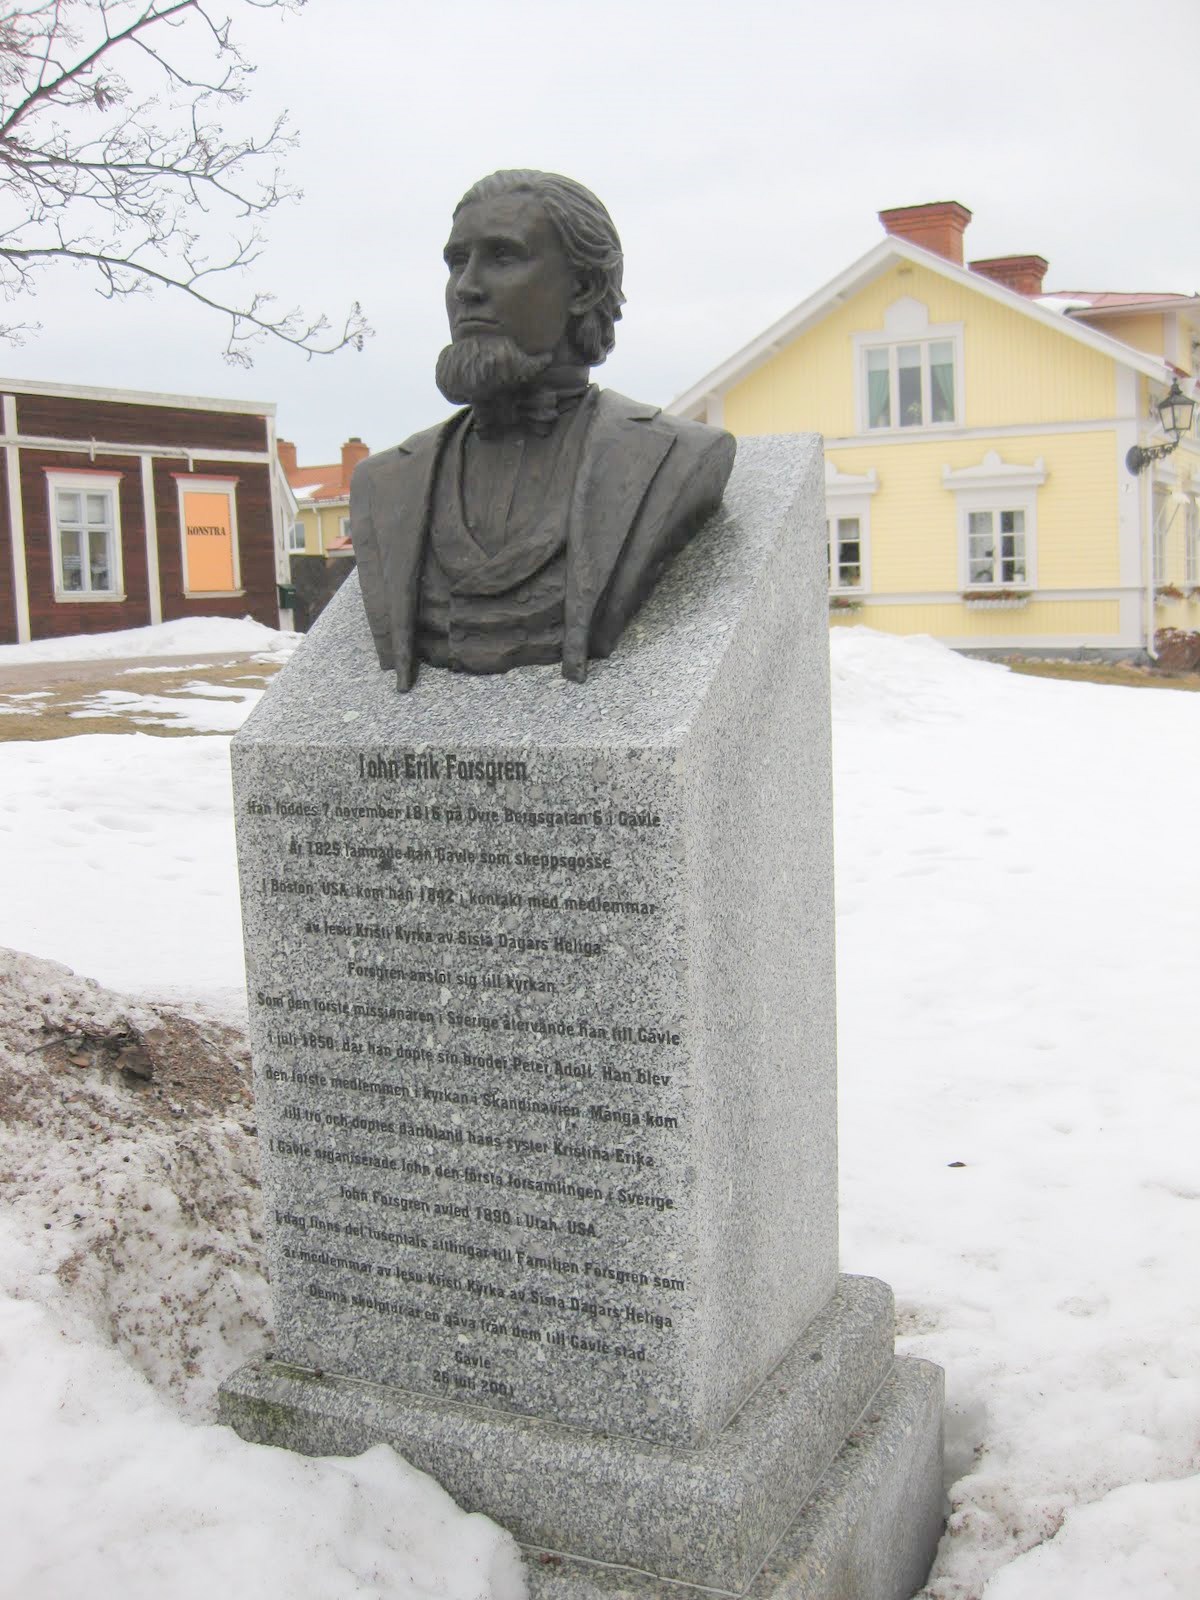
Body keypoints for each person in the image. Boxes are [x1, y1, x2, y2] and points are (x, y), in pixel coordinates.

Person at [350, 169, 735, 690]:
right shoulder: (384, 484)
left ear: (583, 286)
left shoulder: (676, 458)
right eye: (457, 262)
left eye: (502, 257)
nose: (467, 288)